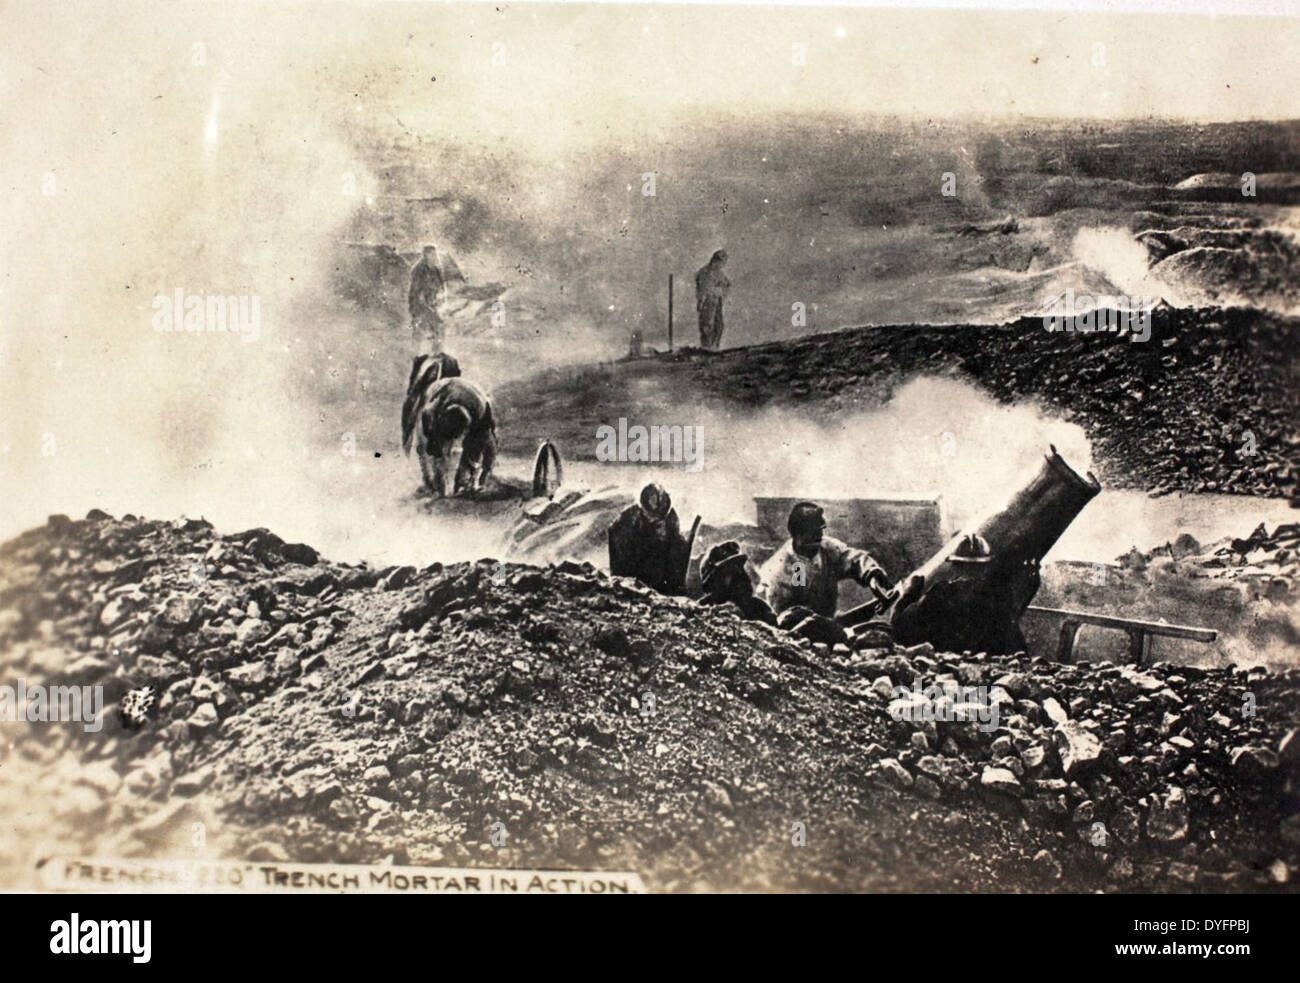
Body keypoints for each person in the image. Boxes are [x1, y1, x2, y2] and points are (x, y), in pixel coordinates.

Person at [891, 533, 1037, 655]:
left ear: (955, 566)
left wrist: (909, 593)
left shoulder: (940, 594)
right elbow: (1015, 644)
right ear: (984, 568)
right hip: (987, 682)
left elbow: (900, 627)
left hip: (948, 677)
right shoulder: (997, 599)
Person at [757, 501, 890, 618]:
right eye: (814, 531)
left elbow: (851, 558)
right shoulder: (791, 567)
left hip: (825, 621)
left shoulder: (826, 548)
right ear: (799, 535)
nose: (820, 535)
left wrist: (871, 573)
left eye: (820, 530)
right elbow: (791, 614)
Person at [403, 377, 496, 497]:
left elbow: (487, 449)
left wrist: (482, 474)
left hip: (470, 398)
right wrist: (433, 442)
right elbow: (427, 430)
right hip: (438, 393)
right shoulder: (431, 411)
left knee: (476, 448)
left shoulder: (481, 411)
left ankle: (464, 483)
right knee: (431, 449)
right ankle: (433, 484)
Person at [608, 483, 692, 595]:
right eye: (652, 517)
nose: (657, 521)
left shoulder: (670, 519)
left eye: (660, 519)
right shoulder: (625, 524)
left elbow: (676, 547)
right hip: (633, 577)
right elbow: (622, 564)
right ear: (643, 509)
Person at [699, 541, 776, 625]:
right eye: (731, 571)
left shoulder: (760, 608)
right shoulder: (701, 611)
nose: (742, 576)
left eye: (739, 568)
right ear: (715, 581)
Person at [409, 245, 450, 353]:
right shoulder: (419, 270)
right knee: (419, 331)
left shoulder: (436, 270)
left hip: (432, 304)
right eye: (432, 254)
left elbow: (442, 287)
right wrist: (422, 303)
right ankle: (414, 356)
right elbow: (416, 291)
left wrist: (439, 299)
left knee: (439, 328)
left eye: (435, 254)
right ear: (426, 255)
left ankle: (436, 354)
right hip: (420, 305)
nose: (435, 256)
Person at [694, 249, 730, 349]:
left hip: (717, 301)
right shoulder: (704, 272)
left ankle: (715, 347)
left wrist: (721, 290)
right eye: (722, 262)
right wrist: (700, 302)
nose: (722, 265)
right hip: (707, 301)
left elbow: (727, 284)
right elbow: (702, 289)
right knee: (707, 325)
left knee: (719, 326)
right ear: (716, 261)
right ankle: (707, 347)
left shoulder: (719, 273)